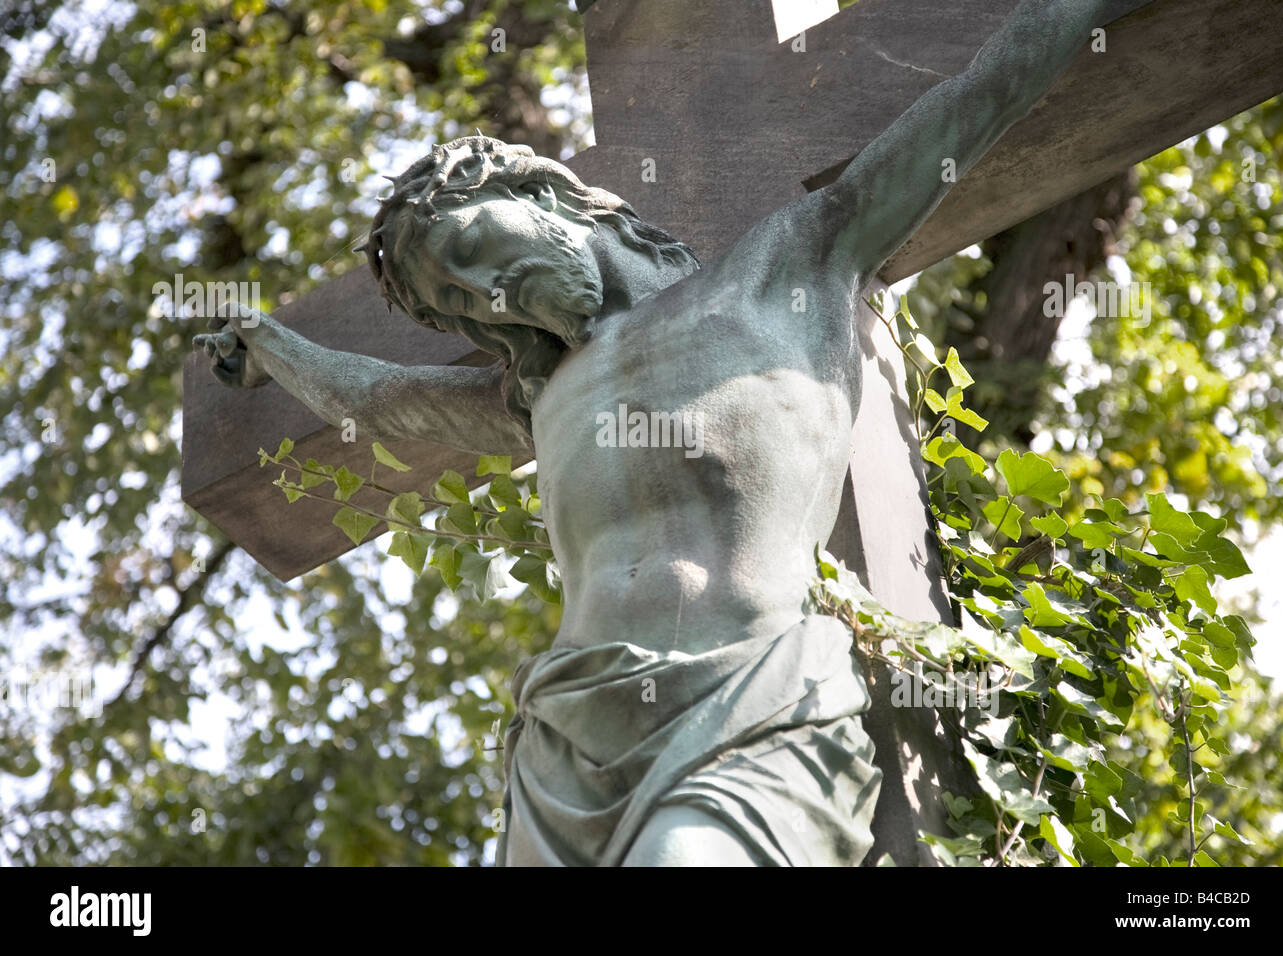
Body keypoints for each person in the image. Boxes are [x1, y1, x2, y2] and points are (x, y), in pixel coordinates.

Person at [195, 0, 1148, 865]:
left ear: (546, 194)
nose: (484, 293)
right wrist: (270, 343)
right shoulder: (540, 397)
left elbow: (983, 95)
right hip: (565, 736)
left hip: (744, 703)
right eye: (455, 301)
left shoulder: (791, 266)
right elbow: (380, 400)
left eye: (474, 251)